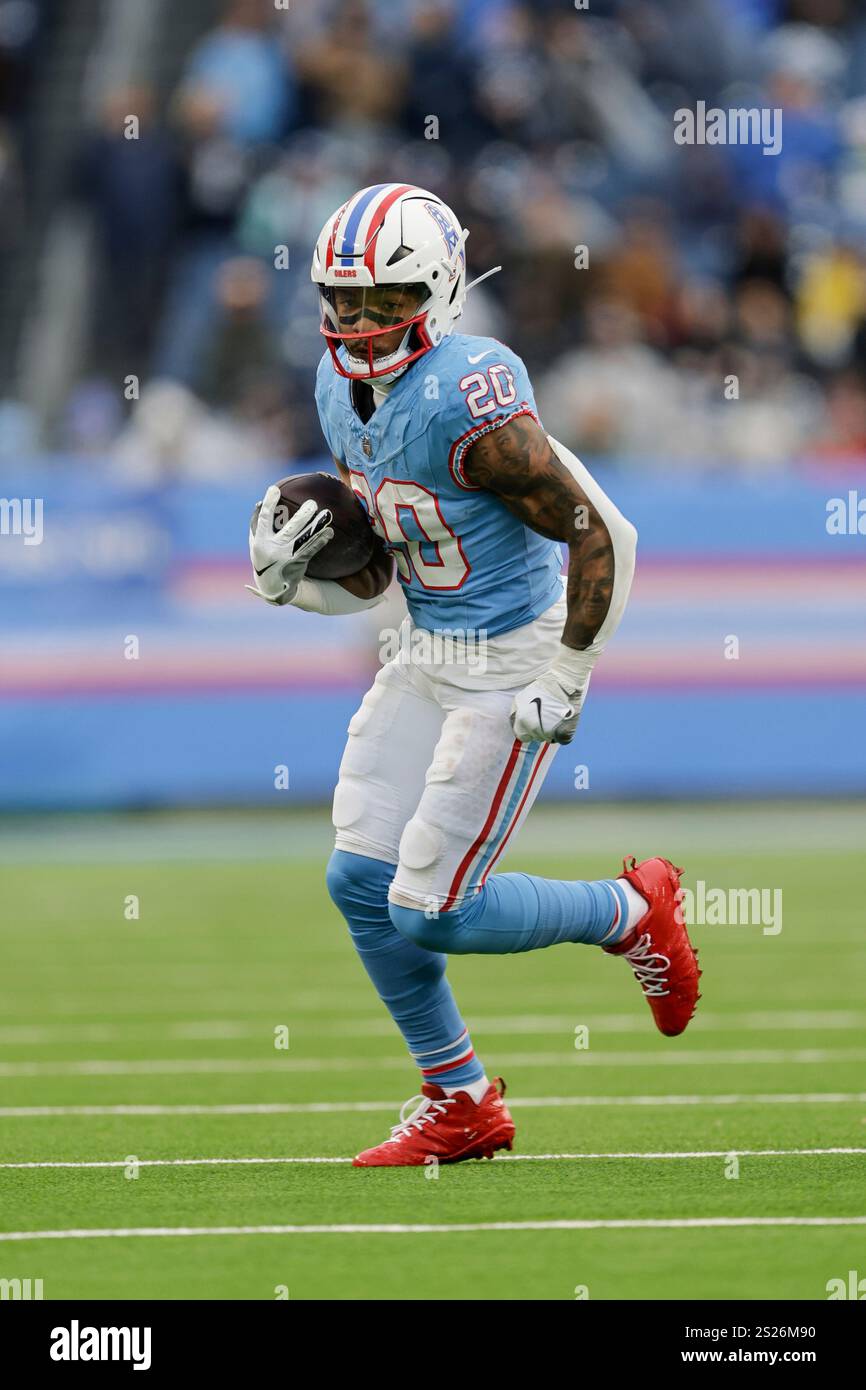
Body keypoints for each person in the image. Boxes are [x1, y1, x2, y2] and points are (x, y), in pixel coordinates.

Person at [247, 183, 701, 1166]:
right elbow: (383, 566)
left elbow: (601, 532)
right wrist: (298, 582)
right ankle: (457, 1098)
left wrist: (569, 672)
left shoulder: (469, 392)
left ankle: (630, 911)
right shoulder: (336, 388)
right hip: (425, 644)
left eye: (387, 298)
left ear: (441, 289)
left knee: (432, 909)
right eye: (343, 299)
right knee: (360, 880)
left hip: (509, 656)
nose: (360, 321)